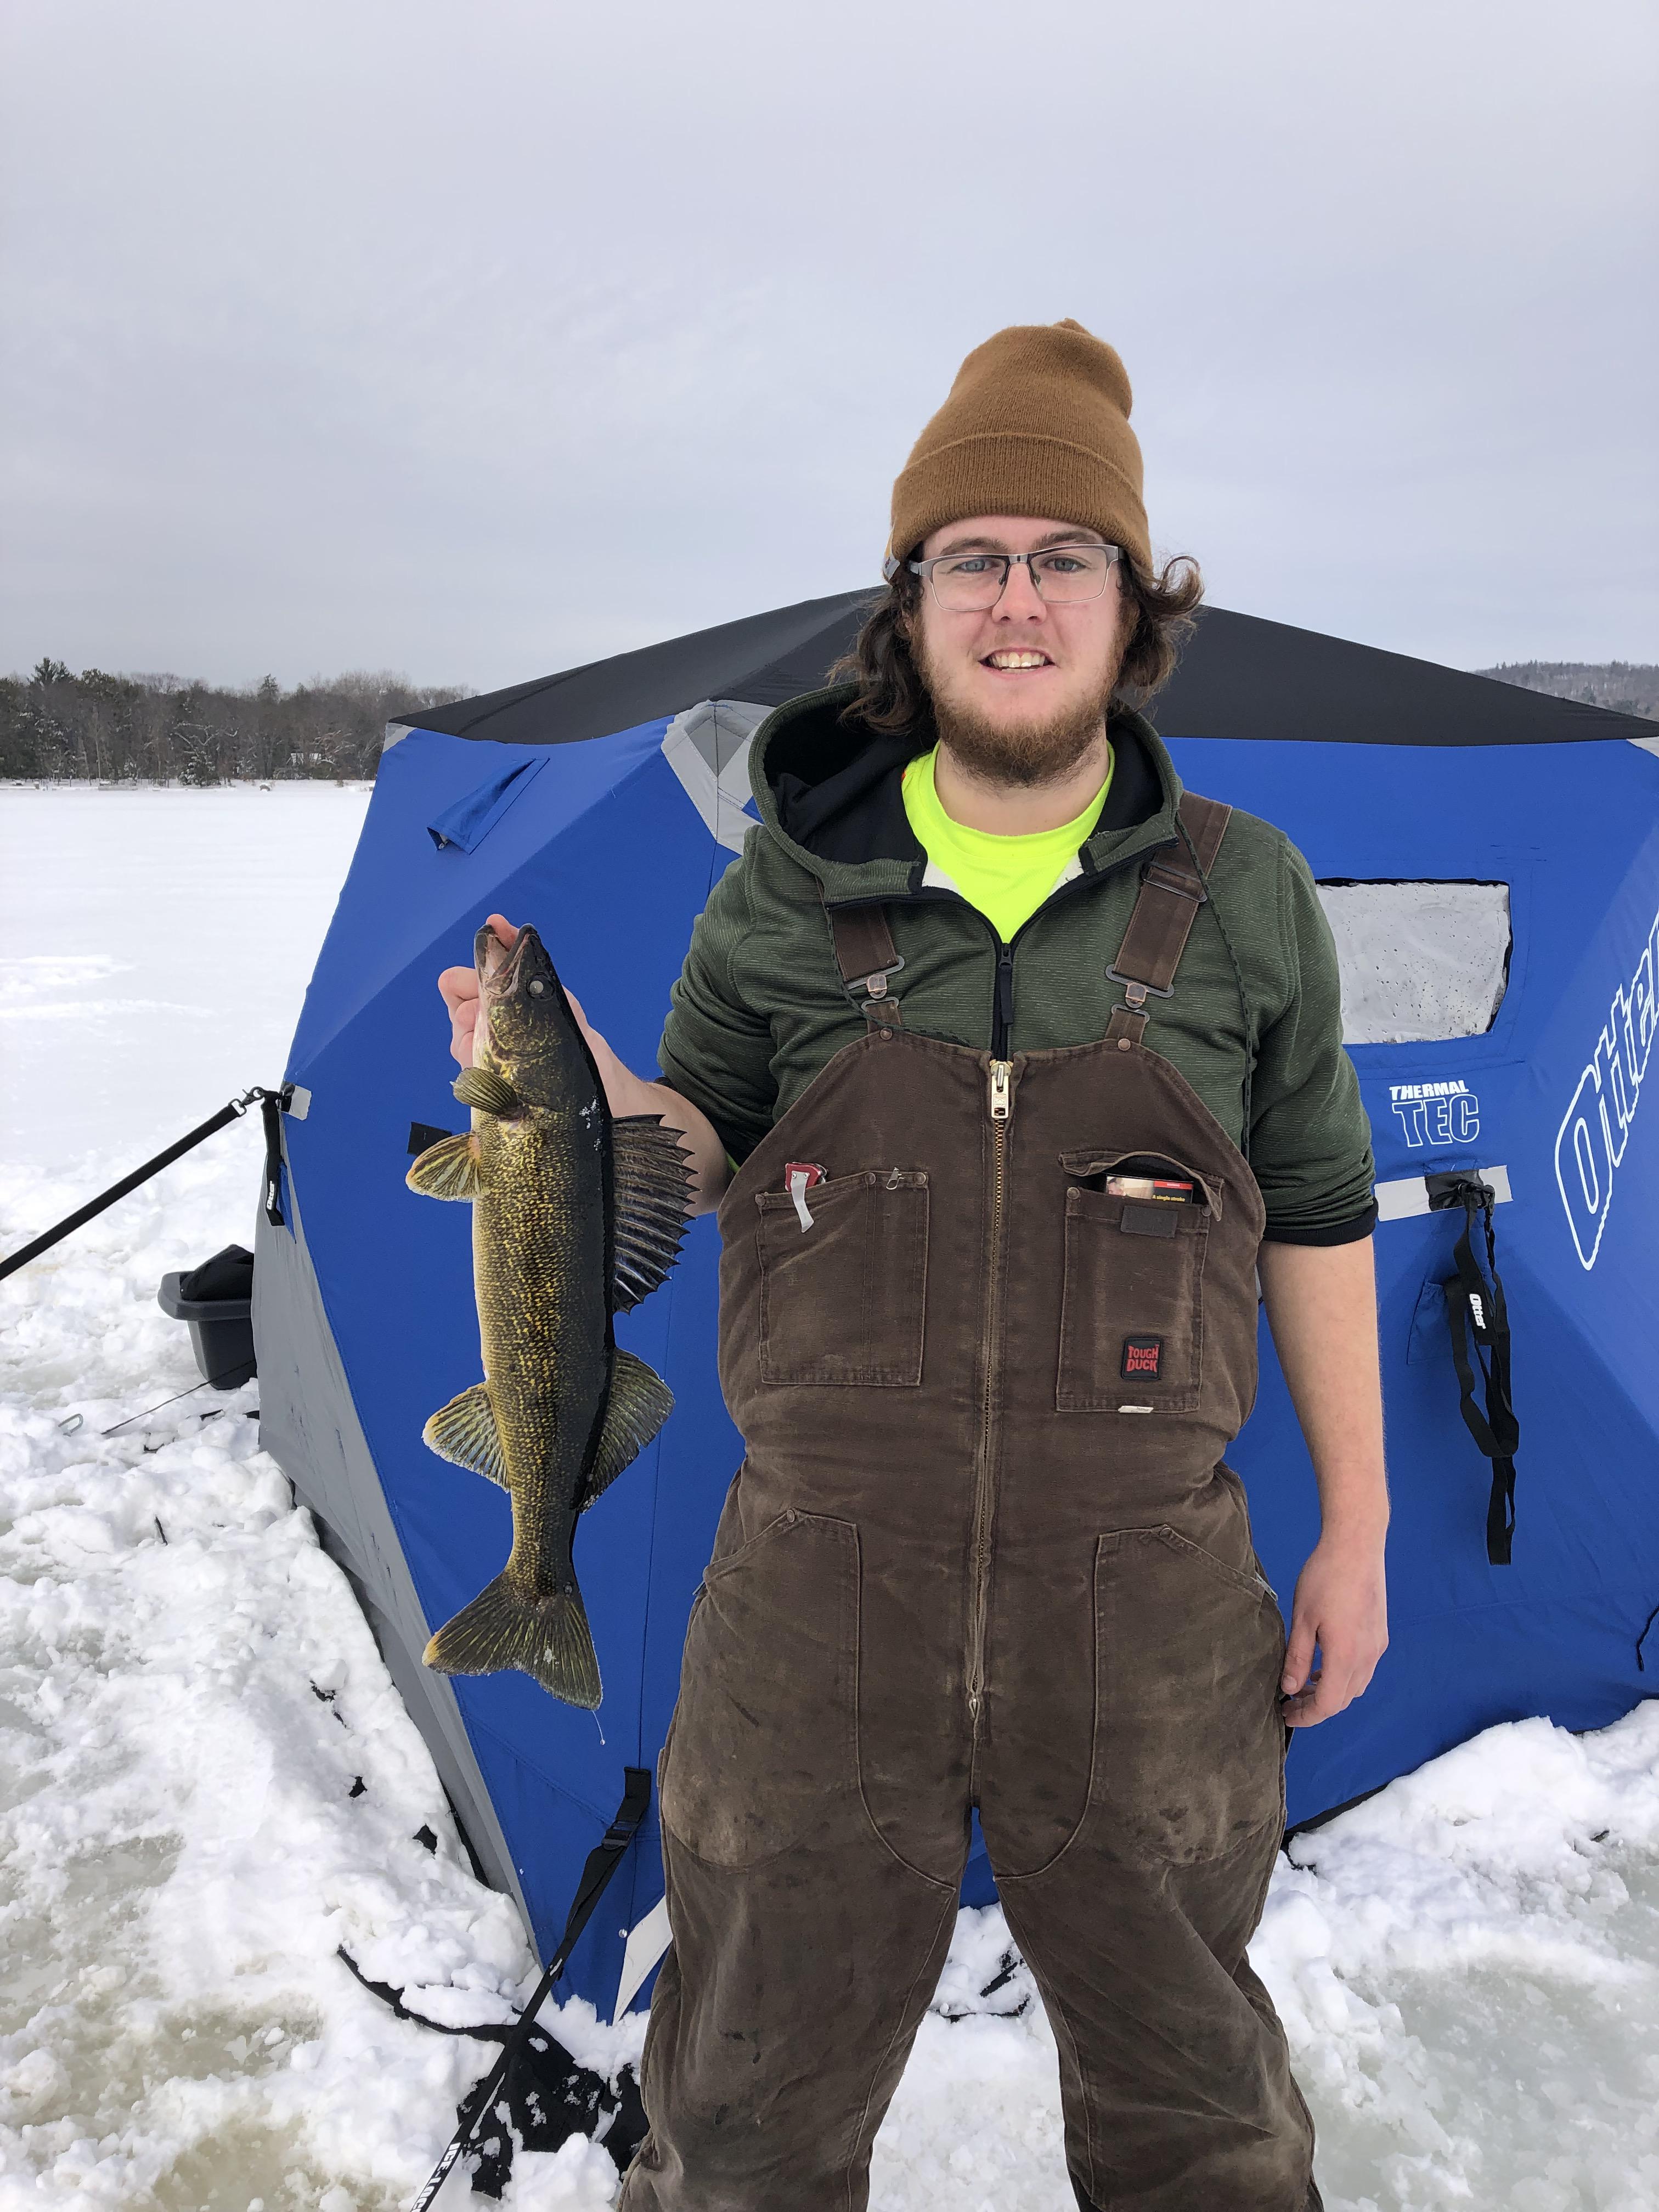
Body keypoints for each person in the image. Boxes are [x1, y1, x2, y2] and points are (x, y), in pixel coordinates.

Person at [440, 319, 1388, 2211]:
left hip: (1151, 1621)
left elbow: (1319, 1211)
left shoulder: (1250, 891)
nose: (1019, 599)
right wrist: (608, 1105)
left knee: (1205, 2126)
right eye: (976, 557)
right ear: (912, 603)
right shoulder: (780, 893)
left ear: (1136, 606)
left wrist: (1355, 1533)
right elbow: (698, 1153)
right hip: (812, 1616)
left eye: (1067, 558)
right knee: (741, 2135)